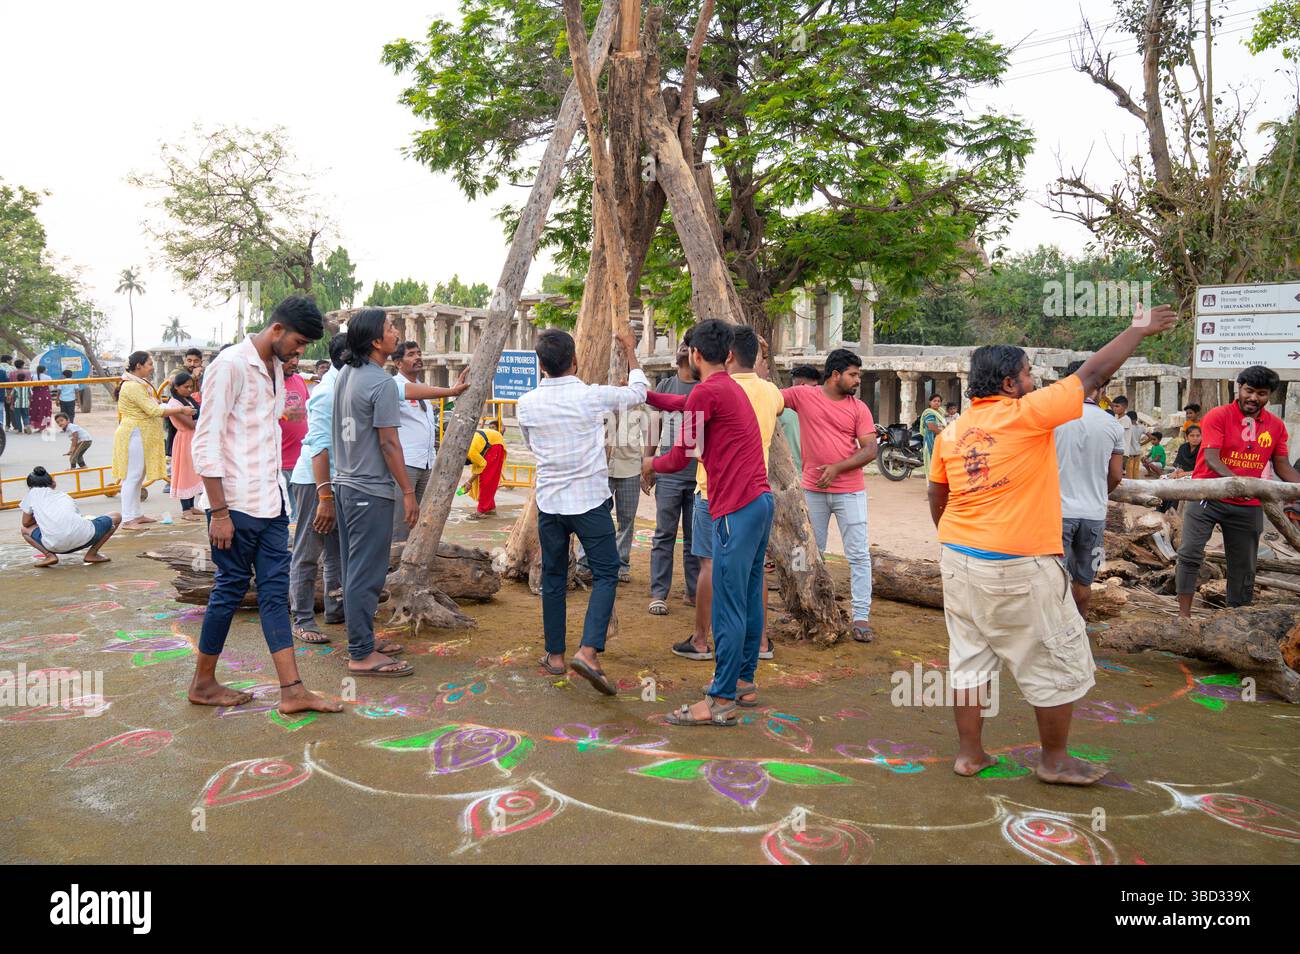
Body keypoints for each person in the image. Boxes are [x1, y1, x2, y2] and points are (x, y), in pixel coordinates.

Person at [928, 303, 1178, 785]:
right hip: (1018, 566)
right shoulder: (1026, 414)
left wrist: (955, 537)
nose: (1035, 382)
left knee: (969, 658)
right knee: (1053, 659)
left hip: (958, 560)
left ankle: (970, 754)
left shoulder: (953, 430)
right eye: (1028, 374)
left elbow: (938, 493)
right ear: (1008, 384)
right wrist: (1137, 329)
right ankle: (1054, 760)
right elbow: (1093, 373)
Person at [188, 296, 342, 716]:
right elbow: (206, 442)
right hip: (233, 504)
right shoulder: (230, 365)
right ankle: (202, 683)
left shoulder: (276, 369)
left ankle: (293, 691)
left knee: (275, 592)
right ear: (276, 330)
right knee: (230, 590)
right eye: (298, 342)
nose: (300, 352)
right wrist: (219, 513)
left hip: (271, 502)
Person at [646, 320, 772, 726]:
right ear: (728, 354)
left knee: (729, 606)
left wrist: (649, 463)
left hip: (735, 508)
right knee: (748, 598)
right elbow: (686, 408)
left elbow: (680, 456)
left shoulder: (707, 391)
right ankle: (743, 682)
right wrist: (645, 395)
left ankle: (720, 699)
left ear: (695, 355)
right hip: (758, 503)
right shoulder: (727, 388)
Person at [517, 329, 646, 694]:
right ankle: (588, 649)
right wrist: (631, 353)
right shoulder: (590, 396)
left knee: (554, 578)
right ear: (574, 361)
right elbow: (638, 393)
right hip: (589, 501)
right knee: (606, 571)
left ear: (540, 365)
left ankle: (555, 656)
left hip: (551, 503)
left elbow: (531, 444)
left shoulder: (526, 403)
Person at [331, 310, 418, 676]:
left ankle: (362, 638)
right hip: (369, 490)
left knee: (355, 571)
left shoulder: (345, 375)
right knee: (367, 574)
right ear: (375, 342)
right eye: (390, 329)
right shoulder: (380, 384)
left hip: (345, 485)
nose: (396, 333)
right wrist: (408, 491)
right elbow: (389, 444)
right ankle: (361, 653)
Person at [1175, 365, 1300, 617]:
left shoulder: (1276, 426)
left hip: (1248, 503)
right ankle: (1183, 618)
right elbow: (1211, 458)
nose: (1254, 398)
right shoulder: (1218, 415)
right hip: (1207, 495)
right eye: (1249, 390)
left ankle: (1235, 619)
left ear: (1269, 396)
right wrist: (1238, 483)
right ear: (1239, 388)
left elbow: (1283, 466)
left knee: (1244, 566)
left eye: (1262, 393)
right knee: (1189, 553)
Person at [780, 348, 878, 642]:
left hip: (850, 492)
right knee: (804, 550)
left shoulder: (859, 409)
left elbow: (870, 449)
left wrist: (837, 468)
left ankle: (861, 615)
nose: (857, 380)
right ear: (835, 375)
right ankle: (799, 604)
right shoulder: (803, 396)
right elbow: (767, 397)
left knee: (859, 554)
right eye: (853, 374)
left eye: (858, 374)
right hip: (812, 489)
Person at [289, 332, 348, 644]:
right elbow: (319, 447)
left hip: (335, 481)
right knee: (308, 551)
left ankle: (336, 607)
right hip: (316, 481)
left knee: (337, 552)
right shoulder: (328, 392)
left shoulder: (347, 384)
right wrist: (325, 497)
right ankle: (301, 619)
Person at [1053, 359, 1124, 617]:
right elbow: (1116, 475)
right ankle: (1079, 634)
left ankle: (1054, 636)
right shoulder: (1113, 425)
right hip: (1094, 515)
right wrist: (1097, 494)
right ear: (1102, 388)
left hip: (1057, 513)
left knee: (1052, 581)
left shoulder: (1054, 420)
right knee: (1084, 582)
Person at [388, 341, 471, 543]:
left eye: (419, 353)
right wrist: (451, 391)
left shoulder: (422, 388)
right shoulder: (394, 386)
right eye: (411, 355)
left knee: (421, 520)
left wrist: (453, 393)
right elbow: (411, 393)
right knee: (401, 522)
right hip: (405, 464)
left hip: (426, 463)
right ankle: (394, 568)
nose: (417, 357)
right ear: (398, 363)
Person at [645, 339, 701, 621]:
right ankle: (659, 593)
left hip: (698, 476)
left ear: (696, 354)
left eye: (688, 345)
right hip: (668, 474)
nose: (682, 348)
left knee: (695, 539)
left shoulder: (705, 388)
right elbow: (654, 426)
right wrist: (649, 463)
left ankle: (693, 591)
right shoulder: (665, 386)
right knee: (664, 533)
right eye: (681, 343)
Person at [113, 351, 195, 530]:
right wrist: (181, 410)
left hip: (141, 433)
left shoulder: (139, 384)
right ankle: (128, 519)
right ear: (138, 366)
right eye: (149, 364)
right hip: (134, 433)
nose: (151, 367)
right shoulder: (132, 386)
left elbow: (155, 406)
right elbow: (154, 411)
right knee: (132, 477)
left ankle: (136, 514)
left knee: (138, 476)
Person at [19, 467, 120, 567]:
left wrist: (41, 518)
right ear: (53, 483)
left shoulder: (31, 495)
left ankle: (49, 555)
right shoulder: (63, 495)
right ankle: (92, 553)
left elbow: (26, 523)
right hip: (85, 538)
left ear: (30, 486)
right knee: (116, 516)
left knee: (24, 529)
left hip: (55, 546)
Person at [165, 371, 203, 521]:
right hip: (184, 439)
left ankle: (192, 506)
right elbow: (189, 424)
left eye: (190, 386)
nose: (189, 389)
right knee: (185, 473)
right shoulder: (174, 404)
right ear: (176, 387)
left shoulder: (188, 399)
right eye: (186, 387)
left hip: (193, 438)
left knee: (194, 472)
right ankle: (185, 510)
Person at [279, 353, 309, 522]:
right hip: (278, 462)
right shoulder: (268, 384)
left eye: (297, 357)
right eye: (288, 357)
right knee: (281, 515)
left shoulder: (299, 380)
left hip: (300, 461)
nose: (294, 362)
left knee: (298, 518)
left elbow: (308, 412)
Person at [778, 365, 820, 476]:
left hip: (812, 474)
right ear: (802, 386)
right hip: (788, 474)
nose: (817, 390)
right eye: (814, 386)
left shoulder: (821, 409)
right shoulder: (778, 407)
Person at [463, 426, 508, 519]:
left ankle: (481, 511)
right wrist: (469, 482)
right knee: (484, 478)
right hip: (487, 442)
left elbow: (481, 464)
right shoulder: (465, 449)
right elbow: (478, 466)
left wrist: (469, 482)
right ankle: (490, 508)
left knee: (487, 480)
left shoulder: (470, 452)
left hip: (495, 444)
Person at [920, 393, 945, 476]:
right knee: (933, 462)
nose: (937, 403)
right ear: (930, 402)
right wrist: (944, 433)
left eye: (939, 401)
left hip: (940, 440)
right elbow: (931, 427)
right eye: (934, 401)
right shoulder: (929, 413)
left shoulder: (941, 413)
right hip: (931, 440)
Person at [29, 364, 52, 433]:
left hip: (36, 395)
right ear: (44, 370)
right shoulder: (48, 377)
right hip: (46, 396)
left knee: (36, 410)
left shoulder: (33, 377)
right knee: (46, 411)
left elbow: (31, 387)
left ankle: (37, 425)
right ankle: (44, 426)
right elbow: (51, 388)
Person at [10, 359, 31, 432]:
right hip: (25, 401)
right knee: (26, 415)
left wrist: (11, 402)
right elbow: (30, 392)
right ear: (22, 365)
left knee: (17, 417)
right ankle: (26, 426)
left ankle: (19, 429)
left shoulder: (12, 373)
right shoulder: (28, 372)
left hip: (17, 402)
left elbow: (10, 384)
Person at [0, 355, 15, 431]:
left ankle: (6, 426)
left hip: (2, 392)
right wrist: (9, 394)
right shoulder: (12, 368)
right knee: (9, 409)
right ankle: (9, 425)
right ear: (8, 360)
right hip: (9, 391)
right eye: (11, 360)